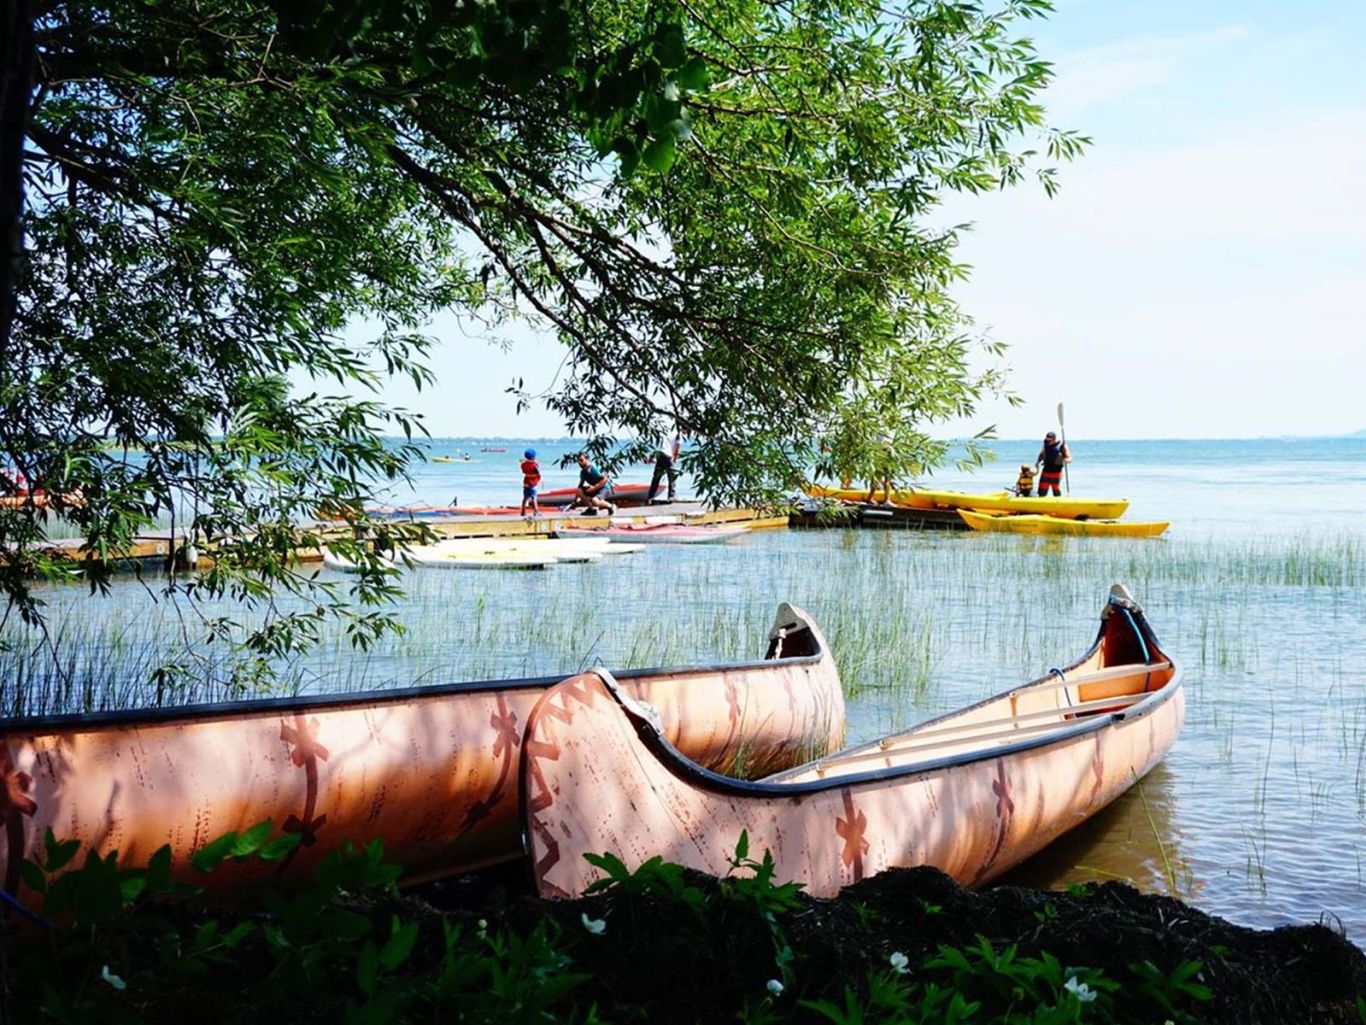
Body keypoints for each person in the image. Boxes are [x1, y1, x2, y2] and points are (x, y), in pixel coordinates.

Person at [647, 434, 681, 503]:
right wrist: (675, 458)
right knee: (672, 477)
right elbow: (678, 446)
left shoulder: (667, 434)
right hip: (668, 456)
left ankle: (650, 496)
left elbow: (659, 447)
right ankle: (671, 496)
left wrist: (652, 457)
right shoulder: (679, 435)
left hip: (660, 454)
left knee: (656, 477)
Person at [1034, 431, 1070, 496]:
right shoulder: (1045, 444)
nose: (1048, 442)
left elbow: (1069, 458)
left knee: (1056, 491)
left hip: (1056, 472)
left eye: (1050, 440)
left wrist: (1066, 460)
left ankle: (1058, 504)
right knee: (1041, 492)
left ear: (1054, 438)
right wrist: (1037, 462)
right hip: (1046, 471)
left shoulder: (1062, 446)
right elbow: (1041, 454)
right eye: (1047, 440)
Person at [519, 448, 541, 518]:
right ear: (533, 457)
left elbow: (523, 470)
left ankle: (523, 511)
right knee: (533, 497)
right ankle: (536, 511)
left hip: (526, 481)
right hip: (532, 482)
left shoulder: (523, 464)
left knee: (525, 497)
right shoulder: (534, 464)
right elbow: (537, 471)